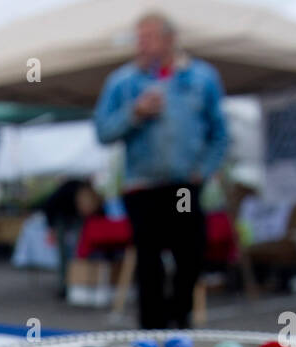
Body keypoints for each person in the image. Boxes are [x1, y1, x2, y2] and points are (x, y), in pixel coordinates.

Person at [95, 12, 228, 329]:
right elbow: (103, 131)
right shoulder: (123, 82)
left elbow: (220, 132)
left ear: (170, 38)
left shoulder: (200, 77)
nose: (141, 44)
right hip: (142, 187)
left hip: (183, 185)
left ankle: (179, 320)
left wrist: (206, 168)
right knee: (148, 260)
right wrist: (135, 113)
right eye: (138, 37)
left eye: (148, 36)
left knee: (190, 254)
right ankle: (152, 332)